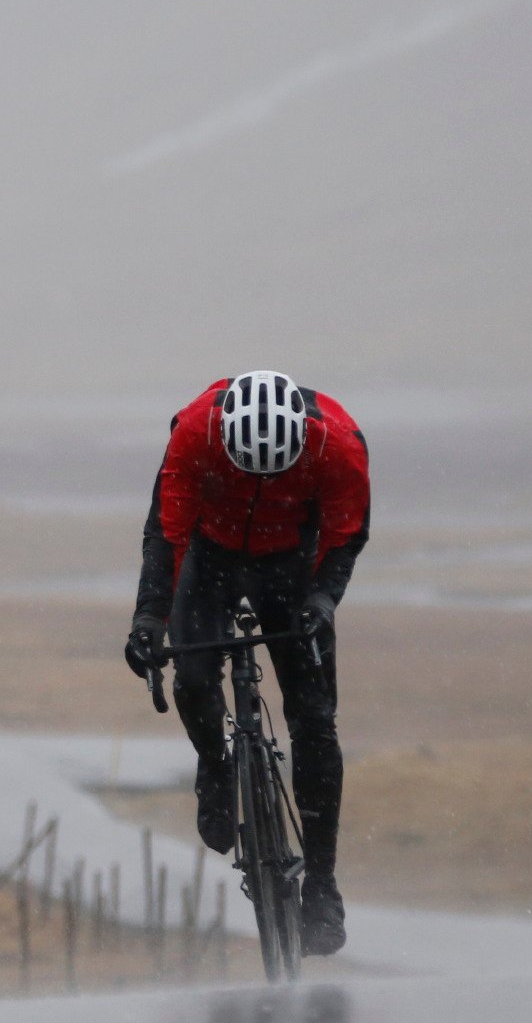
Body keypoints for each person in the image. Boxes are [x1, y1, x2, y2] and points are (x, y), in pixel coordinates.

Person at [122, 371, 368, 956]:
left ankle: (323, 885)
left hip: (292, 558)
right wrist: (148, 621)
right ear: (225, 434)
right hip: (211, 553)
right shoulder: (193, 431)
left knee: (312, 719)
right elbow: (165, 532)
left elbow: (346, 535)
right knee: (196, 678)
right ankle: (214, 765)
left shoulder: (339, 444)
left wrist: (321, 601)